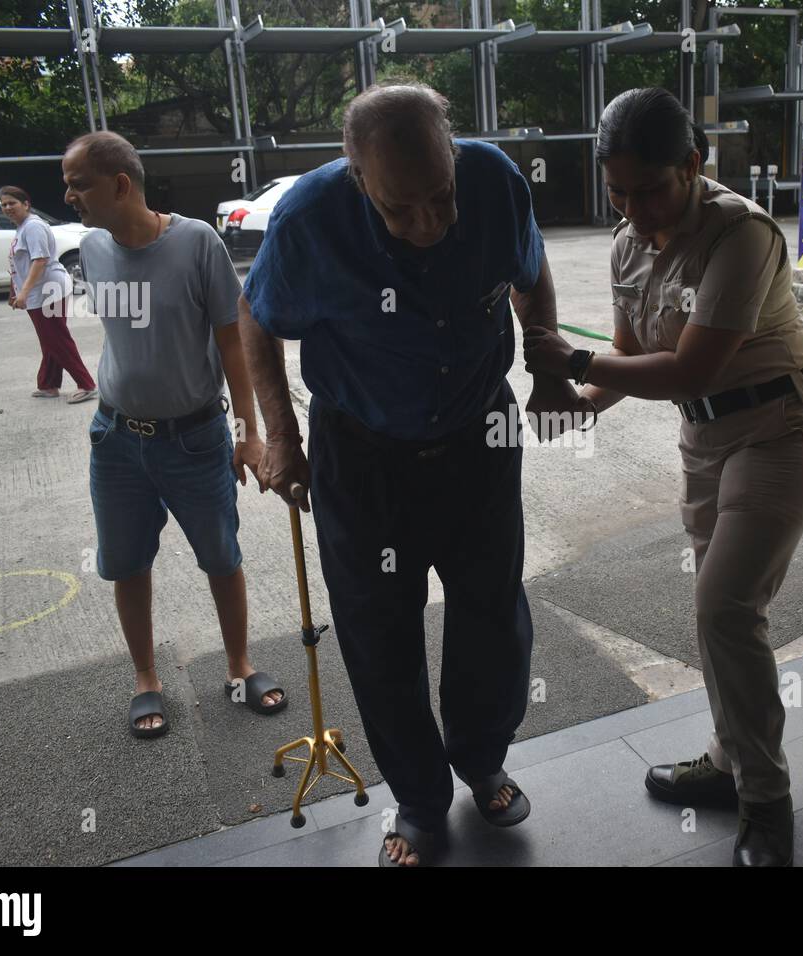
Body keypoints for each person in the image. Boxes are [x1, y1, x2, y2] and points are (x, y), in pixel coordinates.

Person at [239, 82, 581, 867]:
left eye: (440, 197)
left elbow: (531, 273)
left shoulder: (494, 182)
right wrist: (279, 437)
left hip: (479, 438)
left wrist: (548, 361)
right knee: (378, 630)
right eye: (401, 210)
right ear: (357, 176)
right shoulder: (309, 220)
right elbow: (256, 316)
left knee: (491, 610)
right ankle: (422, 800)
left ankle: (482, 757)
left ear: (454, 153)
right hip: (362, 459)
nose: (428, 225)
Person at [523, 88, 803, 867]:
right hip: (705, 436)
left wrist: (570, 358)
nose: (632, 210)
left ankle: (765, 803)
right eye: (618, 193)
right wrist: (578, 407)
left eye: (649, 189)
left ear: (693, 166)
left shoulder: (743, 233)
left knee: (725, 604)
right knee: (722, 615)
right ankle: (729, 761)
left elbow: (692, 363)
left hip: (784, 427)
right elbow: (634, 360)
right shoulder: (628, 245)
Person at [61, 131, 286, 739]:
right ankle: (146, 680)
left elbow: (232, 342)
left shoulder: (196, 243)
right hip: (115, 439)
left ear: (120, 184)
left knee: (221, 554)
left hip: (194, 437)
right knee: (127, 564)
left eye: (78, 184)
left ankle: (239, 667)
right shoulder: (91, 250)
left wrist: (249, 432)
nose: (69, 195)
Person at [0, 185, 96, 404]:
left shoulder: (33, 227)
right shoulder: (22, 228)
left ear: (26, 204)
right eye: (4, 204)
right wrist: (14, 290)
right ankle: (48, 384)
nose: (7, 208)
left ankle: (87, 384)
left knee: (57, 339)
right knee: (50, 340)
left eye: (12, 203)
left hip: (47, 291)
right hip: (39, 292)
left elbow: (40, 260)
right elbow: (19, 264)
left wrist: (24, 292)